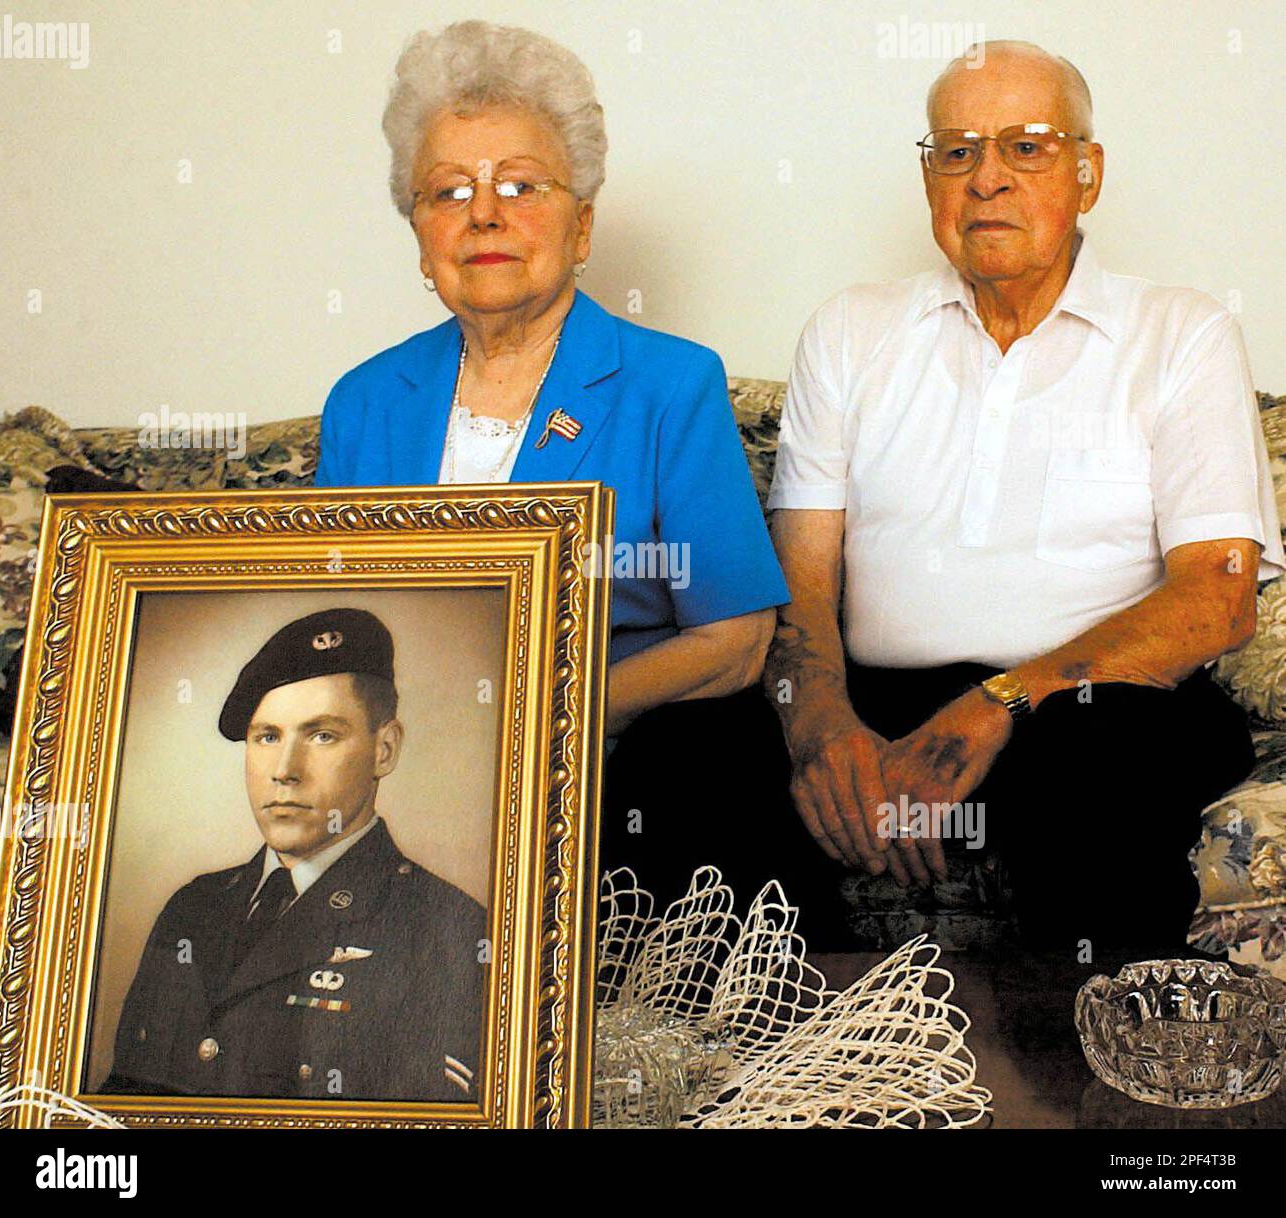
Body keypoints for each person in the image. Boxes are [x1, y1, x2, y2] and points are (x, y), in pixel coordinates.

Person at [765, 40, 1286, 958]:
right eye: (957, 151)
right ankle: (777, 1062)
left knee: (1092, 766)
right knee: (683, 759)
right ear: (929, 178)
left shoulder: (1180, 331)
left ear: (1088, 174)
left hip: (1092, 702)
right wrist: (821, 724)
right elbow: (798, 580)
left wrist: (997, 705)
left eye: (1027, 147)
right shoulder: (851, 330)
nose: (987, 180)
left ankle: (1097, 1080)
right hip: (882, 695)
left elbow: (1219, 595)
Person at [313, 21, 814, 922]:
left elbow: (737, 640)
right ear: (420, 234)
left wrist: (547, 722)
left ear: (581, 225)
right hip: (420, 758)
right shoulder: (365, 402)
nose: (485, 213)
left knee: (710, 758)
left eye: (520, 184)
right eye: (448, 191)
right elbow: (335, 633)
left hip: (622, 752)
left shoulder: (669, 382)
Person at [104, 608, 486, 1101]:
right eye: (267, 737)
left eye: (322, 735)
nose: (284, 770)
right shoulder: (192, 908)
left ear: (384, 750)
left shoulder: (449, 931)